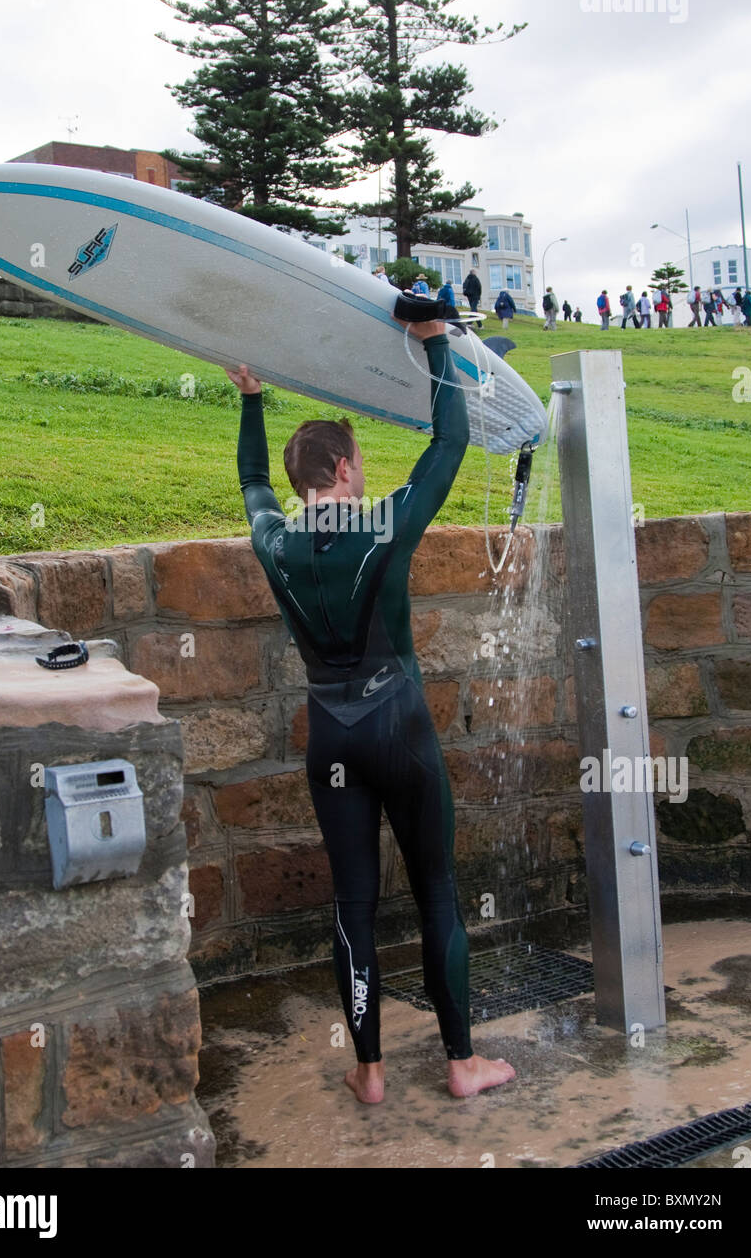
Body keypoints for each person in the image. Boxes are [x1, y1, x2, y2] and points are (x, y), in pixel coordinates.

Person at [225, 315, 516, 1104]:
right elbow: (447, 446)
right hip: (404, 730)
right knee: (438, 894)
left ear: (301, 478)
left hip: (333, 740)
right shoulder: (384, 527)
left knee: (353, 903)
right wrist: (432, 344)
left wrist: (252, 400)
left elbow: (251, 483)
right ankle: (461, 1065)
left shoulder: (274, 542)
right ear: (347, 468)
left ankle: (371, 1071)